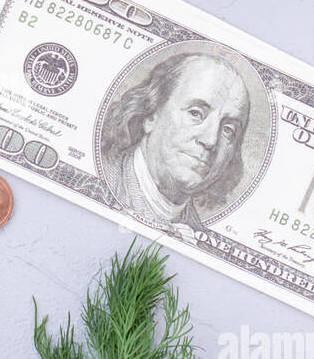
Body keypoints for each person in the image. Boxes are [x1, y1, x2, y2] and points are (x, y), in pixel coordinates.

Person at [100, 50, 251, 232]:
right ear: (152, 114)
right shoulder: (102, 181)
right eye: (195, 113)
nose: (210, 140)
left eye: (228, 130)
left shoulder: (198, 236)